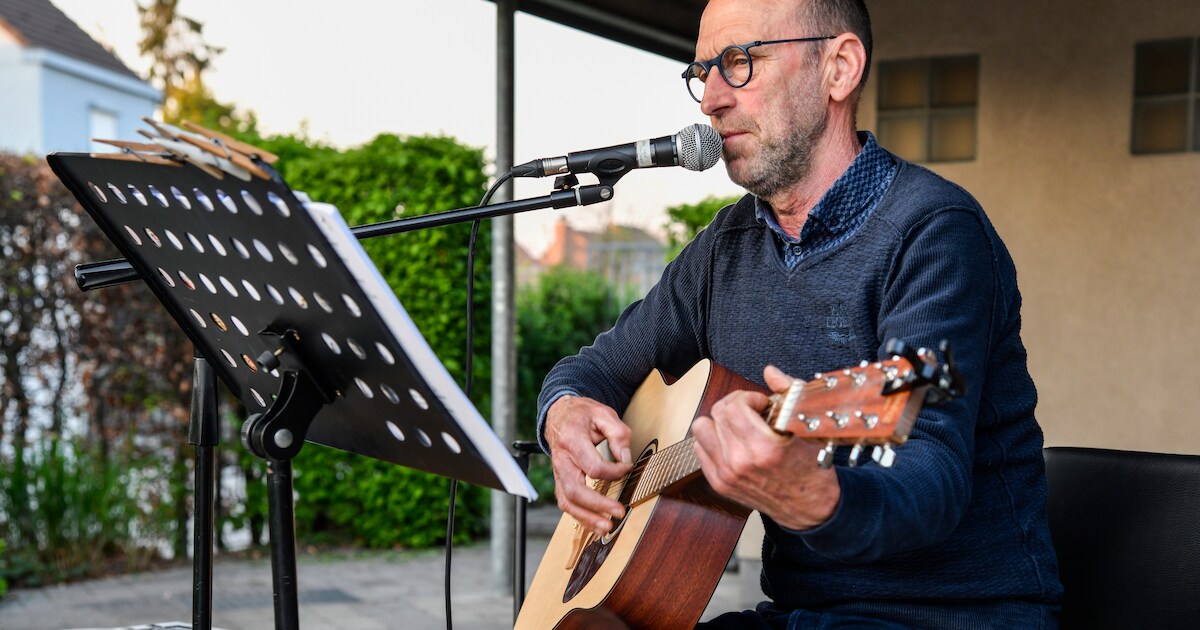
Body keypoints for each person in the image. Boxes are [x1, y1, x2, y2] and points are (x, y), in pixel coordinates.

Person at [535, 0, 1063, 627]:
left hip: (953, 615)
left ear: (838, 69)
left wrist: (818, 496)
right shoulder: (727, 246)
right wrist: (562, 412)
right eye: (702, 72)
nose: (710, 100)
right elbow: (595, 369)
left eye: (739, 62)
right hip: (799, 613)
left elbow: (932, 477)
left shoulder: (934, 232)